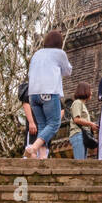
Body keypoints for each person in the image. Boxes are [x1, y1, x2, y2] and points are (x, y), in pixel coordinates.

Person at [25, 30, 72, 159]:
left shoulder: (37, 54)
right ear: (59, 43)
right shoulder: (59, 53)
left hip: (33, 94)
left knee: (42, 125)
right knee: (54, 123)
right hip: (49, 91)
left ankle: (42, 156)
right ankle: (33, 148)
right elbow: (68, 71)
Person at [69, 81, 95, 160]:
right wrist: (90, 124)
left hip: (82, 135)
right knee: (80, 162)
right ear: (85, 90)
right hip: (78, 134)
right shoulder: (77, 103)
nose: (91, 92)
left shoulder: (82, 104)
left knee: (83, 162)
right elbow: (76, 119)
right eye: (90, 90)